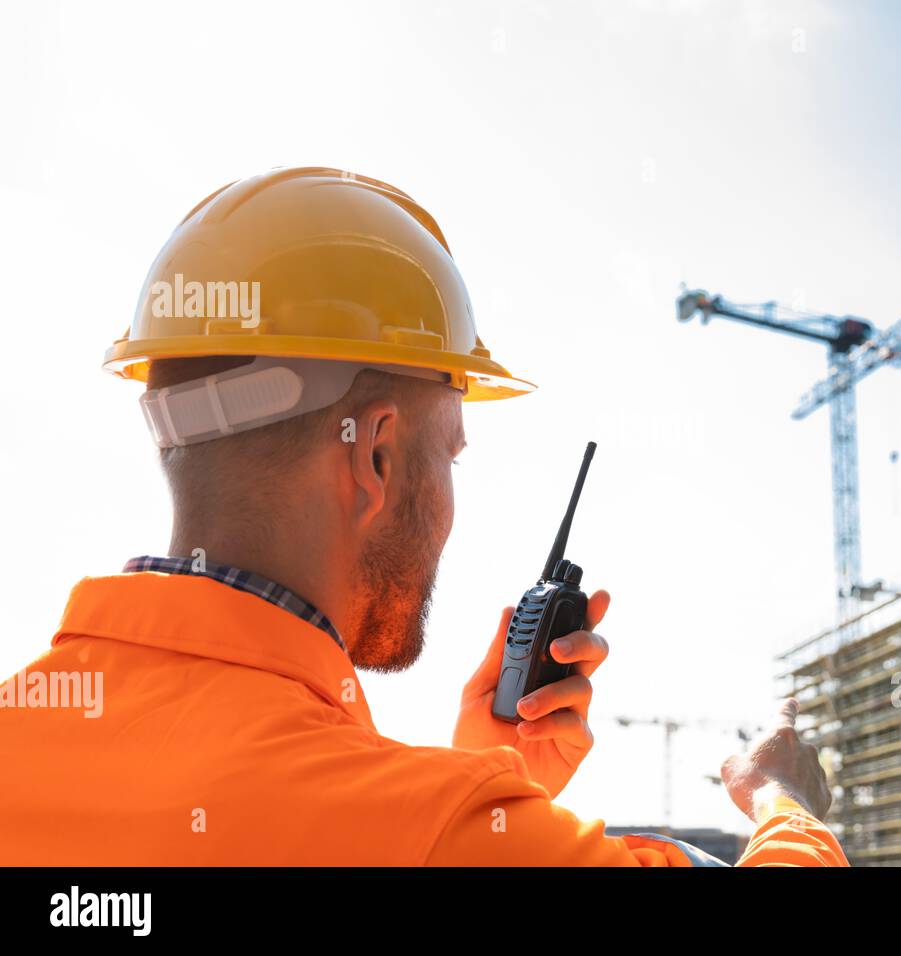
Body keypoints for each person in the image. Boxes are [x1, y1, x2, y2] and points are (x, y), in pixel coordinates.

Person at [0, 167, 846, 867]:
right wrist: (786, 802)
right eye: (449, 453)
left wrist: (489, 781)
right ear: (374, 457)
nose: (449, 500)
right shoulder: (431, 831)